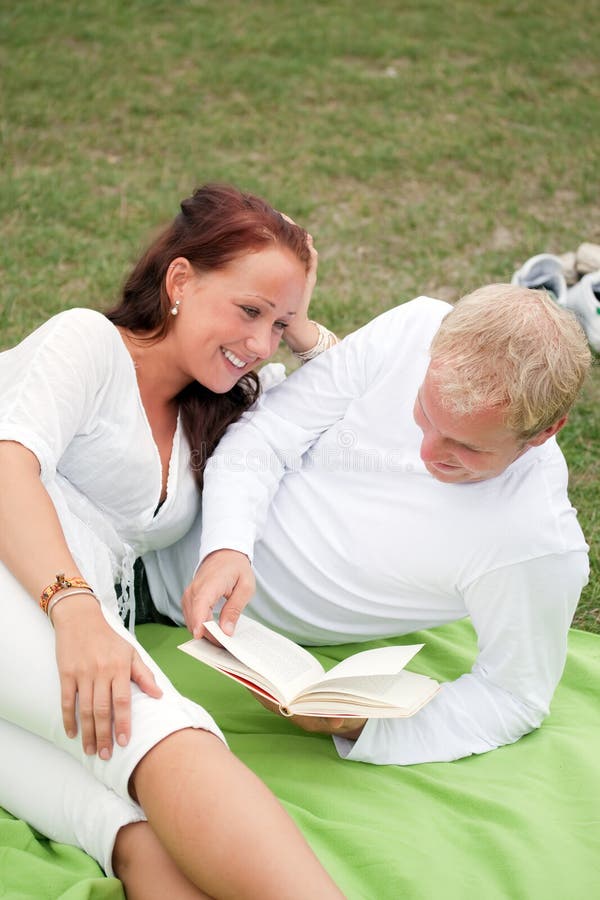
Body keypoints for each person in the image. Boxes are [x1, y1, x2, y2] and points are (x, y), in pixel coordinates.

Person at [0, 184, 343, 899]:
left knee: (126, 826)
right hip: (37, 587)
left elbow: (353, 394)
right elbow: (8, 467)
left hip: (61, 623)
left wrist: (298, 316)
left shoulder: (210, 406)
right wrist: (77, 612)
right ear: (180, 280)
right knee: (161, 731)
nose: (259, 344)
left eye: (277, 327)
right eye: (248, 309)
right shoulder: (86, 344)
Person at [149, 283, 591, 766]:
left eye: (467, 448)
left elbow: (513, 698)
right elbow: (267, 433)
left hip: (167, 607)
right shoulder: (416, 329)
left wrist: (365, 724)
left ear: (546, 431)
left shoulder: (537, 544)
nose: (428, 454)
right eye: (424, 412)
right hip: (163, 489)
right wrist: (228, 545)